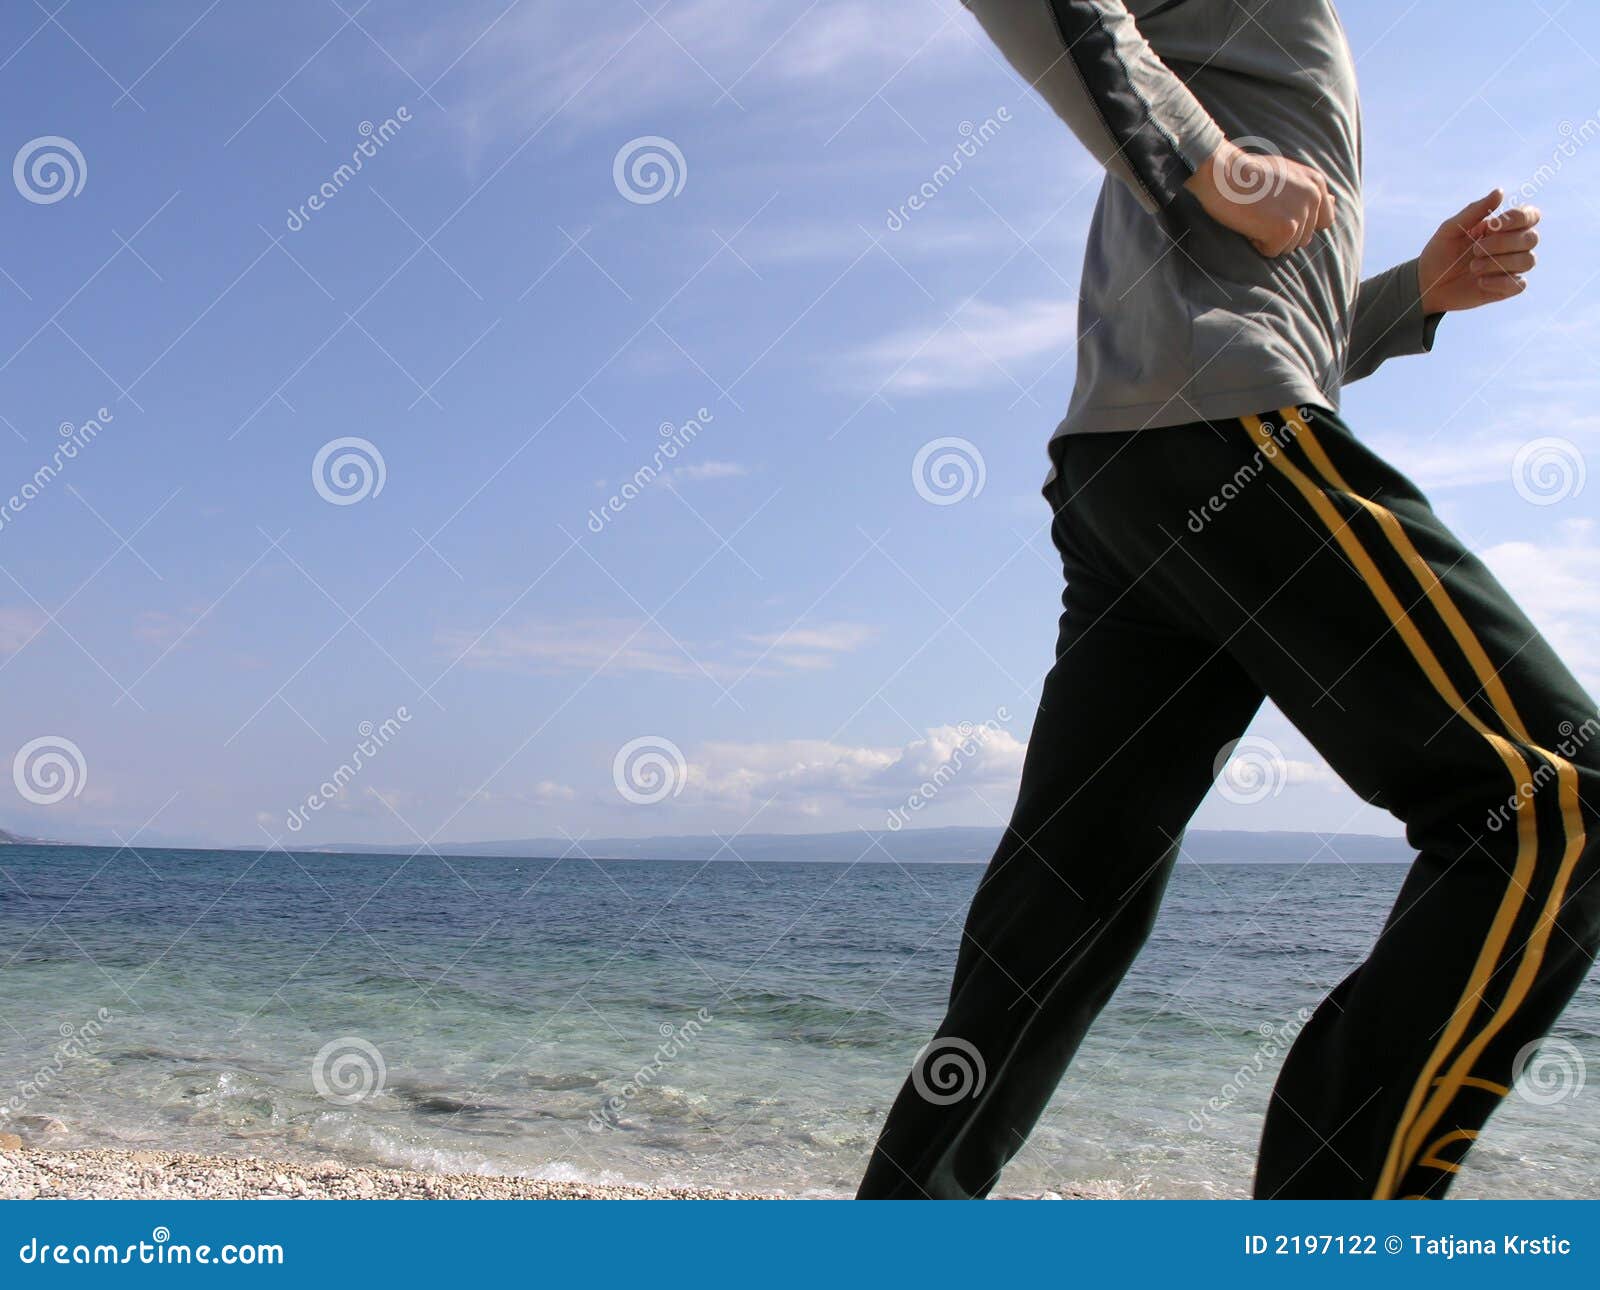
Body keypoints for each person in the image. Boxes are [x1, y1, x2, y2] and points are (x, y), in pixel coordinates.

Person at [857, 0, 1599, 1200]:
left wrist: (1414, 292)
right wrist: (1216, 162)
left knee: (1064, 914)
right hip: (1222, 441)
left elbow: (1271, 311)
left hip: (1147, 467)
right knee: (1553, 795)